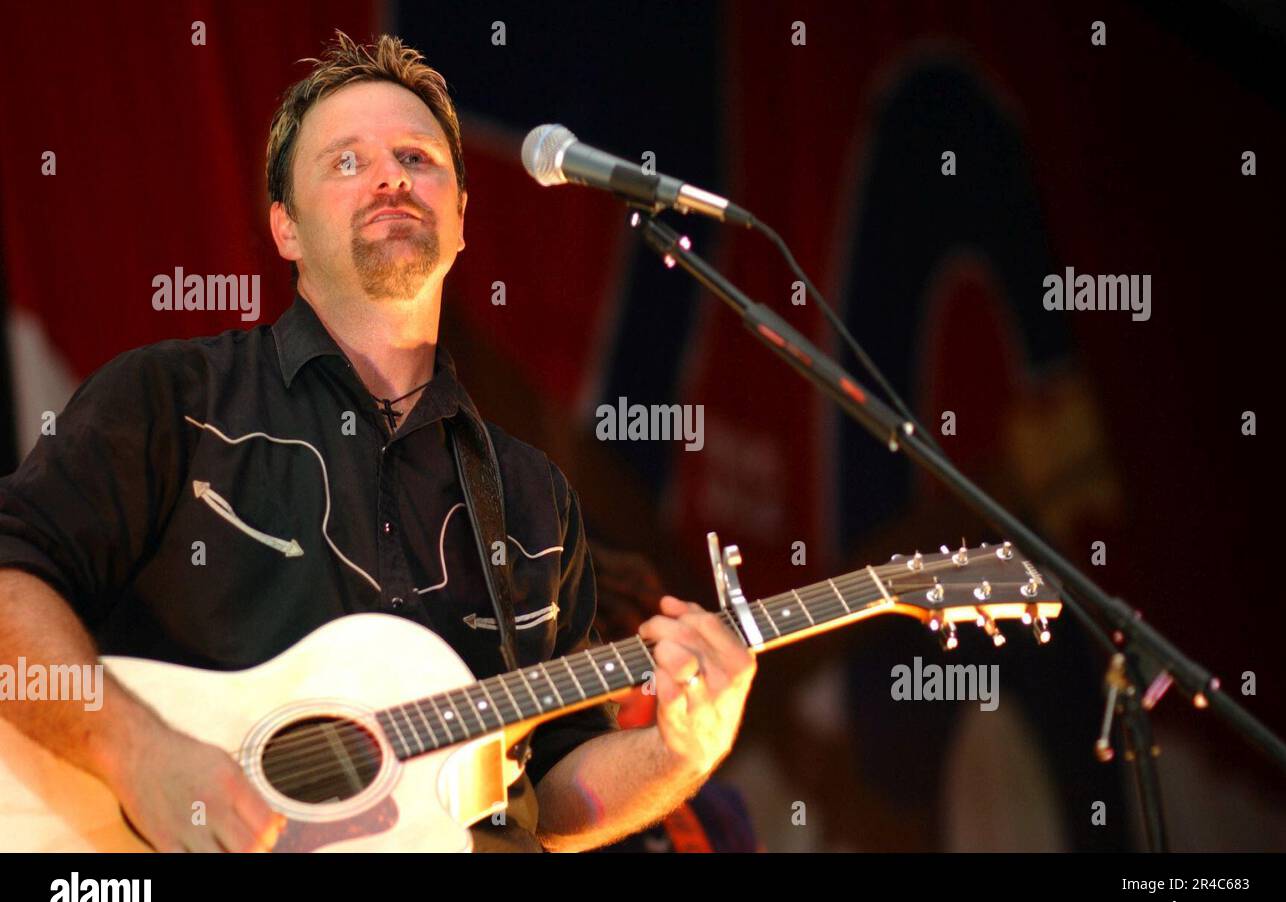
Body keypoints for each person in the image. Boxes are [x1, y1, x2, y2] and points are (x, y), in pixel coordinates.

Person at [0, 31, 755, 853]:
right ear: (284, 229)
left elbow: (553, 796)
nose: (393, 175)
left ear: (463, 219)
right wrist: (140, 752)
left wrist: (679, 750)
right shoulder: (172, 400)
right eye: (347, 162)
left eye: (417, 156)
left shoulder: (535, 499)